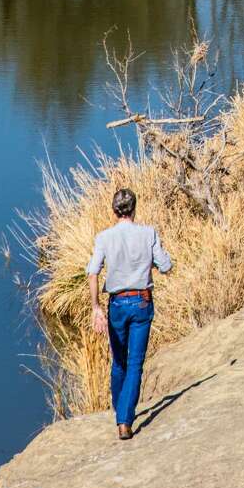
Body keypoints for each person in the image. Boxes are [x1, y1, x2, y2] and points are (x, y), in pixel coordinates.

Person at [86, 188, 172, 440]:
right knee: (135, 363)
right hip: (142, 302)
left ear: (114, 211)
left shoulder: (104, 237)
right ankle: (124, 420)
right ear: (134, 209)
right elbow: (166, 266)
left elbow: (92, 272)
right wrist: (152, 262)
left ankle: (119, 409)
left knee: (119, 361)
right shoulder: (148, 233)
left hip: (117, 304)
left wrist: (96, 307)